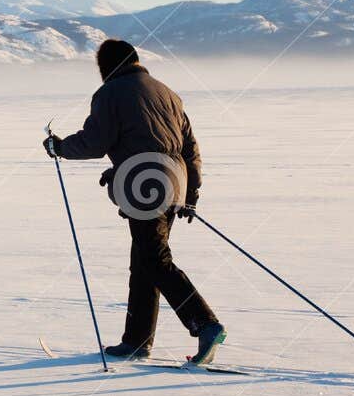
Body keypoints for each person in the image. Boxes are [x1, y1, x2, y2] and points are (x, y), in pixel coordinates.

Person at [42, 39, 226, 364]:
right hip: (174, 182)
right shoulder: (166, 92)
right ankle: (137, 341)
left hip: (143, 183)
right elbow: (190, 147)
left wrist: (60, 148)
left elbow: (95, 141)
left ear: (106, 67)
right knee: (145, 260)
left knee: (155, 260)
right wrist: (190, 195)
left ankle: (205, 323)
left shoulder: (110, 93)